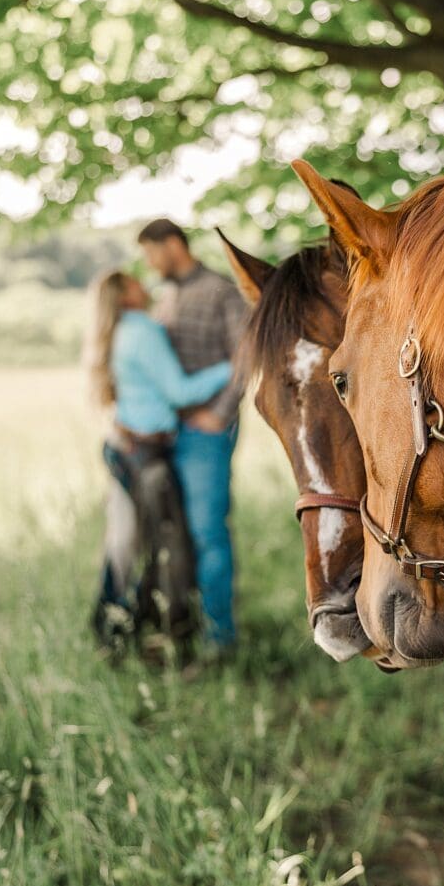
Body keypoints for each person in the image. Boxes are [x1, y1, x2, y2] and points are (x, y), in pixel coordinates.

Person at [84, 268, 233, 657]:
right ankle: (136, 627)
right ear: (124, 296)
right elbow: (178, 391)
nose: (143, 284)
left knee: (127, 540)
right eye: (134, 282)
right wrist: (233, 366)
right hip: (146, 455)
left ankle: (115, 626)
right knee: (152, 542)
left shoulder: (120, 331)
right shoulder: (142, 331)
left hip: (126, 448)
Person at [137, 219, 248, 653]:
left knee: (207, 532)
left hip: (205, 437)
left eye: (151, 252)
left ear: (172, 245)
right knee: (174, 535)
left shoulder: (221, 290)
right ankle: (179, 623)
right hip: (165, 434)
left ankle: (220, 638)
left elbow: (247, 354)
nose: (149, 262)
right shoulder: (165, 297)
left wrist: (219, 415)